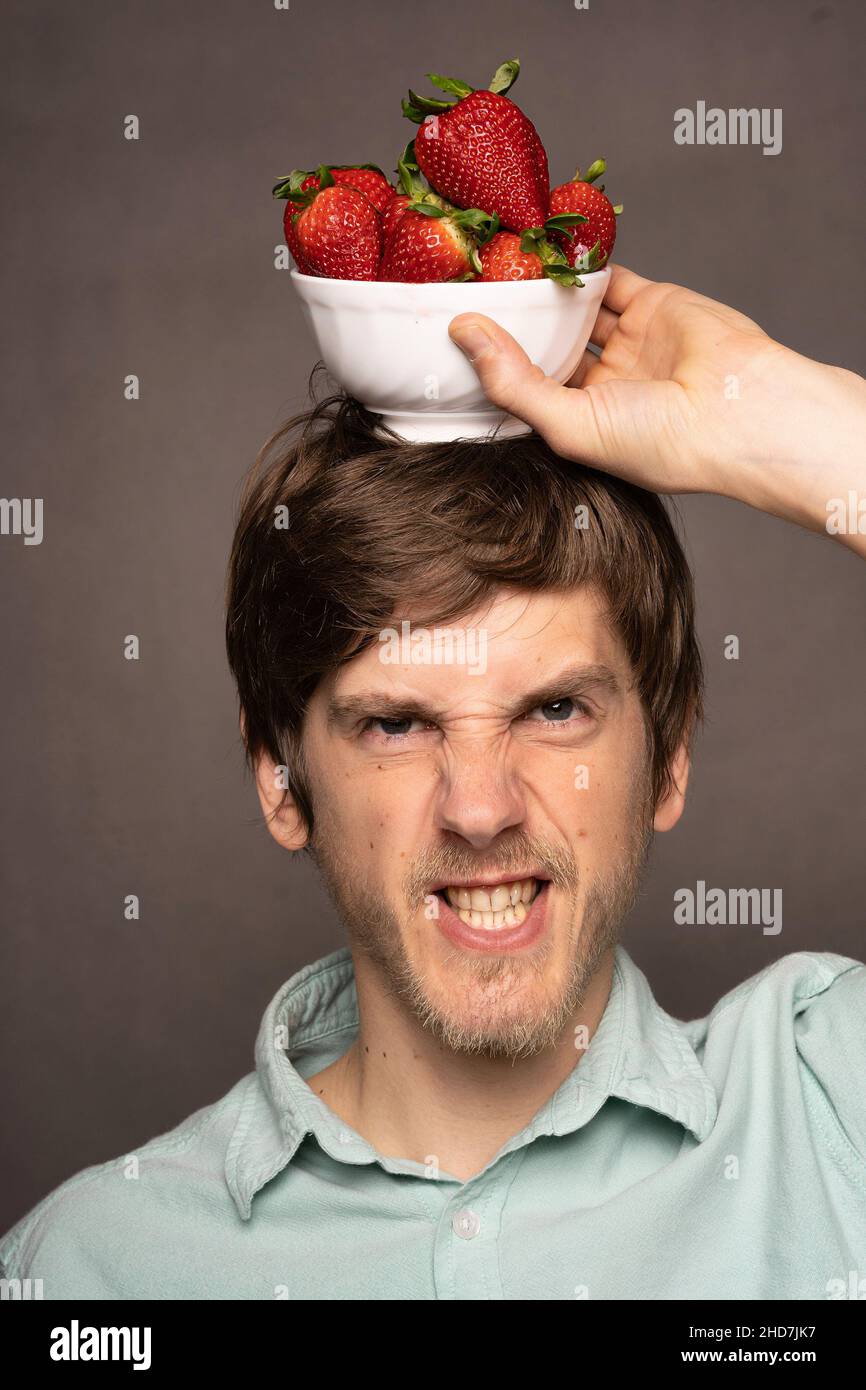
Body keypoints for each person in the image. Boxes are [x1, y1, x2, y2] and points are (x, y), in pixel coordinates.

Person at [2, 268, 864, 1300]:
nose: (480, 806)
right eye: (396, 724)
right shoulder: (90, 1273)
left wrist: (791, 426)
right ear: (280, 781)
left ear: (668, 752)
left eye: (553, 711)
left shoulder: (830, 1107)